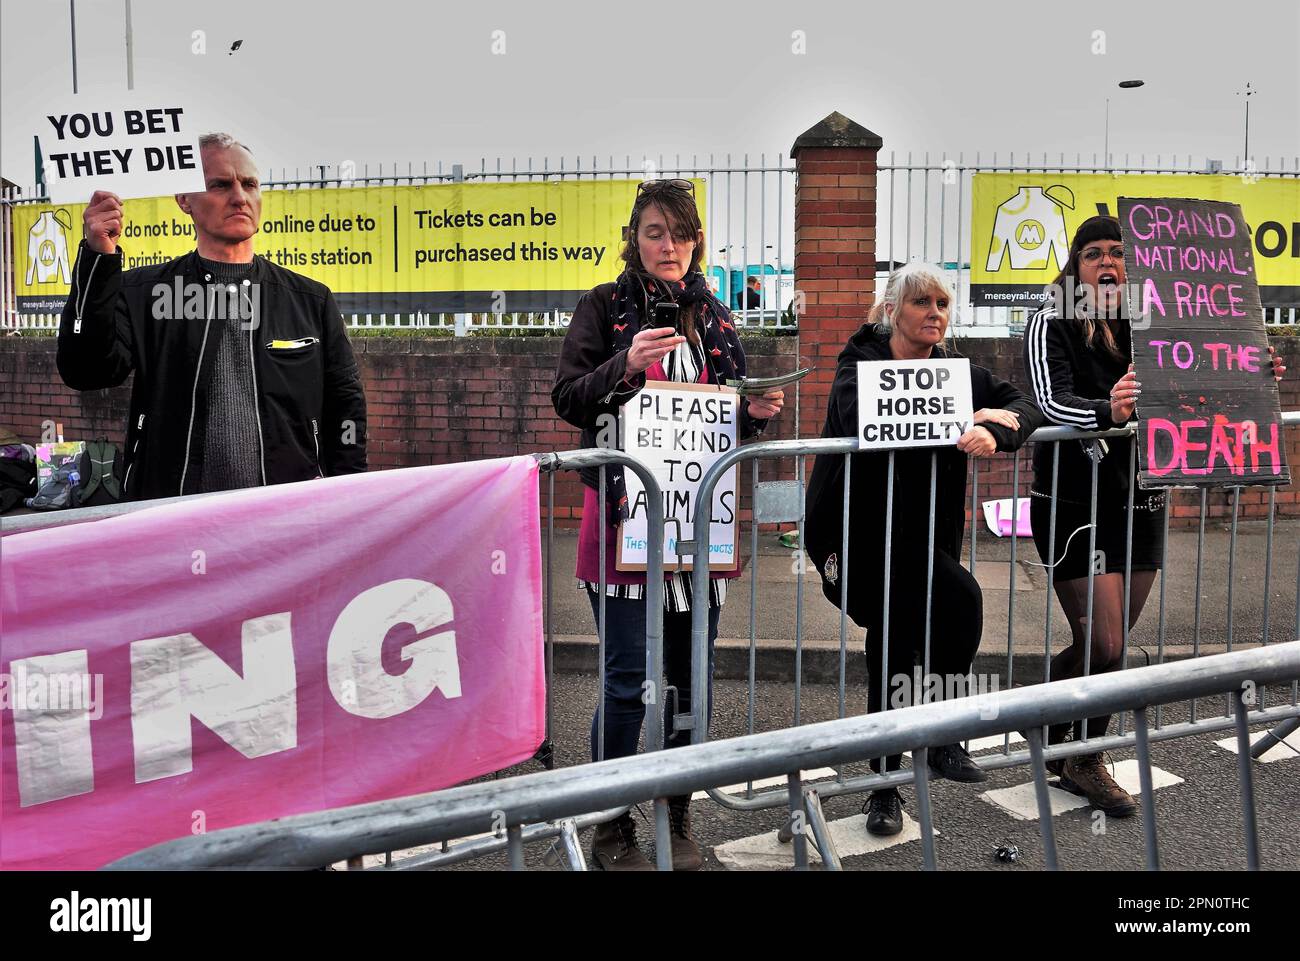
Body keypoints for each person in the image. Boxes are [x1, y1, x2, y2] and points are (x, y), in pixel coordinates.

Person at [552, 179, 784, 870]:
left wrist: (755, 411)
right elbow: (569, 398)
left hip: (699, 529)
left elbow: (723, 414)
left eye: (680, 232)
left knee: (688, 678)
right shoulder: (602, 307)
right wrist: (623, 366)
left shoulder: (714, 315)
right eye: (655, 231)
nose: (670, 244)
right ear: (635, 238)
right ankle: (609, 818)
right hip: (625, 521)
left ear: (695, 242)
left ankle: (677, 812)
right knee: (628, 680)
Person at [1022, 215, 1286, 816]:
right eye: (1093, 254)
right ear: (1075, 264)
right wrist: (1106, 409)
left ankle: (1049, 724)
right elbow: (1047, 399)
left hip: (1141, 492)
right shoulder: (1051, 316)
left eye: (1118, 252)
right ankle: (1083, 757)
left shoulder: (1151, 319)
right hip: (1073, 498)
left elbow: (1200, 377)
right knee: (1106, 641)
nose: (1107, 262)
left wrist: (1252, 375)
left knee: (1108, 644)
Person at [805, 262, 1040, 837]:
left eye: (942, 303)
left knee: (895, 645)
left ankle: (884, 787)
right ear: (892, 310)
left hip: (924, 542)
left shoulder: (958, 374)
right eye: (921, 303)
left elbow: (1025, 405)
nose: (934, 313)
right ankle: (936, 739)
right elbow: (855, 414)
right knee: (958, 603)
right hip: (859, 539)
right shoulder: (858, 366)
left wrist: (999, 429)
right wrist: (963, 414)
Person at [57, 133, 366, 500]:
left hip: (284, 514)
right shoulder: (143, 293)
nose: (239, 197)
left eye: (249, 184)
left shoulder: (310, 300)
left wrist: (347, 490)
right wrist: (98, 258)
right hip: (170, 513)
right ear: (184, 199)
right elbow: (85, 370)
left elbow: (345, 404)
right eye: (219, 184)